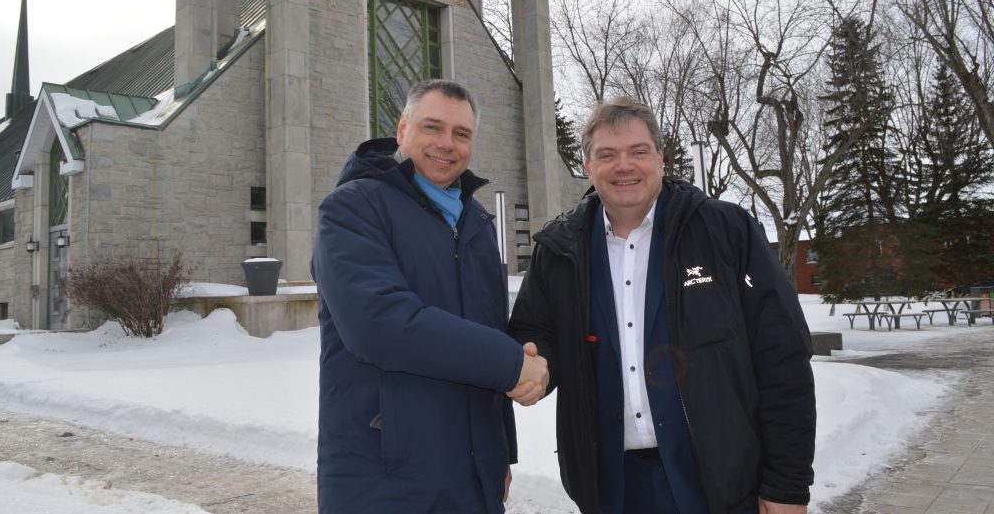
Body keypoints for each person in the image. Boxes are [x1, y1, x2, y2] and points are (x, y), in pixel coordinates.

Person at [508, 96, 816, 514]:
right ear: (588, 167)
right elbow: (535, 330)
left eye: (638, 151)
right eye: (607, 155)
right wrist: (535, 362)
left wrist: (786, 486)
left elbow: (783, 358)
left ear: (661, 159)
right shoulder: (559, 250)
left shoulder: (727, 231)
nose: (624, 166)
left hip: (720, 483)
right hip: (612, 486)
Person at [312, 79, 548, 514]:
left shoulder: (477, 222)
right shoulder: (352, 208)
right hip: (385, 477)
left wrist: (500, 453)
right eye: (432, 127)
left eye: (461, 134)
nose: (447, 144)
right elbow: (380, 325)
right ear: (402, 130)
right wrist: (511, 362)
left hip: (472, 475)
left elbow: (486, 332)